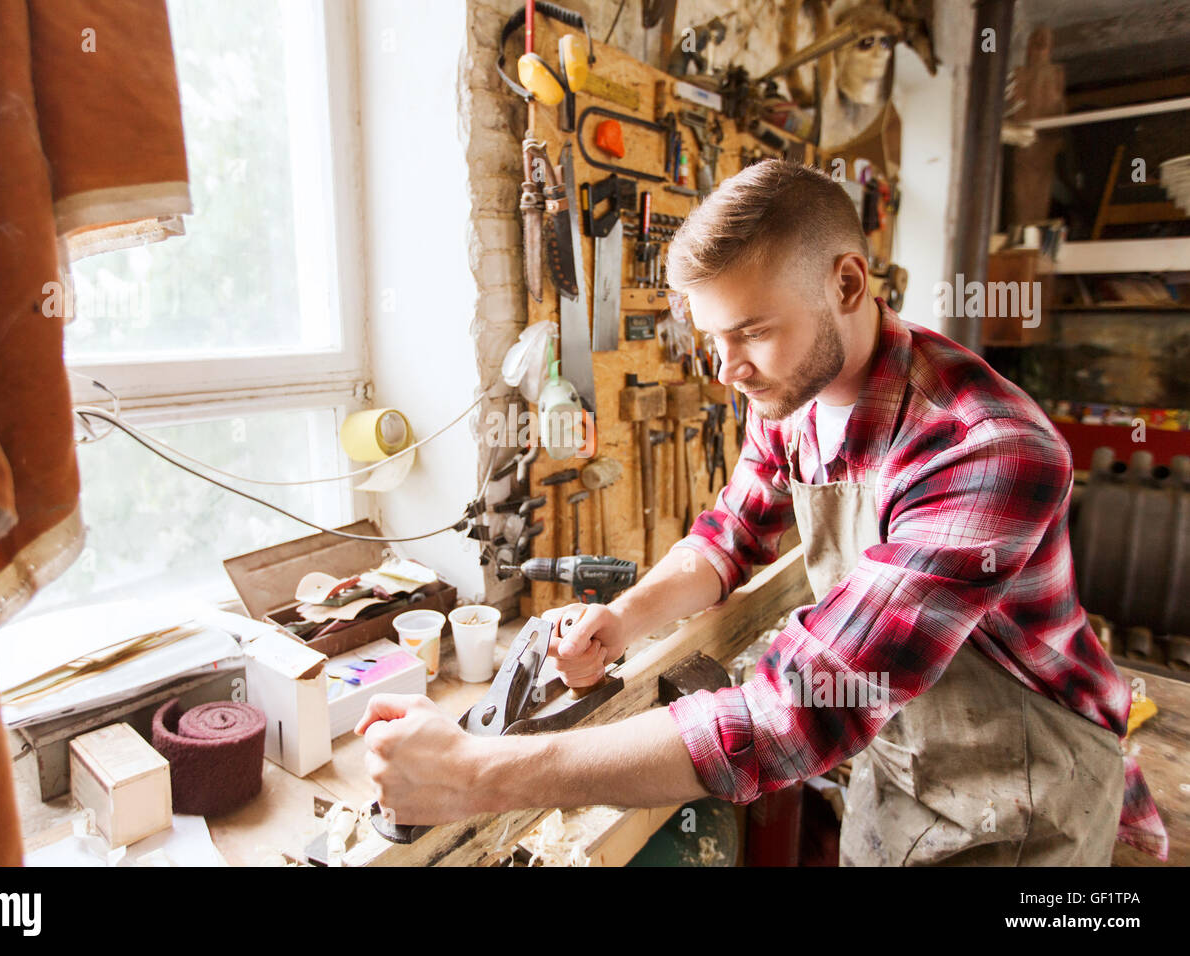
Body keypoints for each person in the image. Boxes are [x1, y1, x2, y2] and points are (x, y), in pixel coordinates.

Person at [356, 159, 1167, 865]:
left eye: (749, 332)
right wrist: (628, 616)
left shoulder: (985, 450)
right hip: (897, 750)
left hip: (1027, 788)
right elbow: (732, 533)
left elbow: (795, 714)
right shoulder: (788, 393)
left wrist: (474, 776)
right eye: (712, 339)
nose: (726, 370)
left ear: (847, 283)